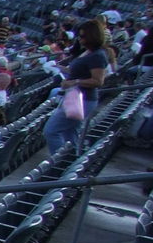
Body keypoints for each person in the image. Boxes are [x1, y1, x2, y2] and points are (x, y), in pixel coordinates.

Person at [44, 18, 111, 155]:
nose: (79, 39)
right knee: (70, 132)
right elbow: (80, 71)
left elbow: (98, 81)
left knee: (51, 131)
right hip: (76, 97)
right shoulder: (88, 52)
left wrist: (75, 82)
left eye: (83, 36)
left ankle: (58, 163)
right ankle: (70, 159)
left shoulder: (98, 55)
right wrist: (61, 68)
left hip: (82, 100)